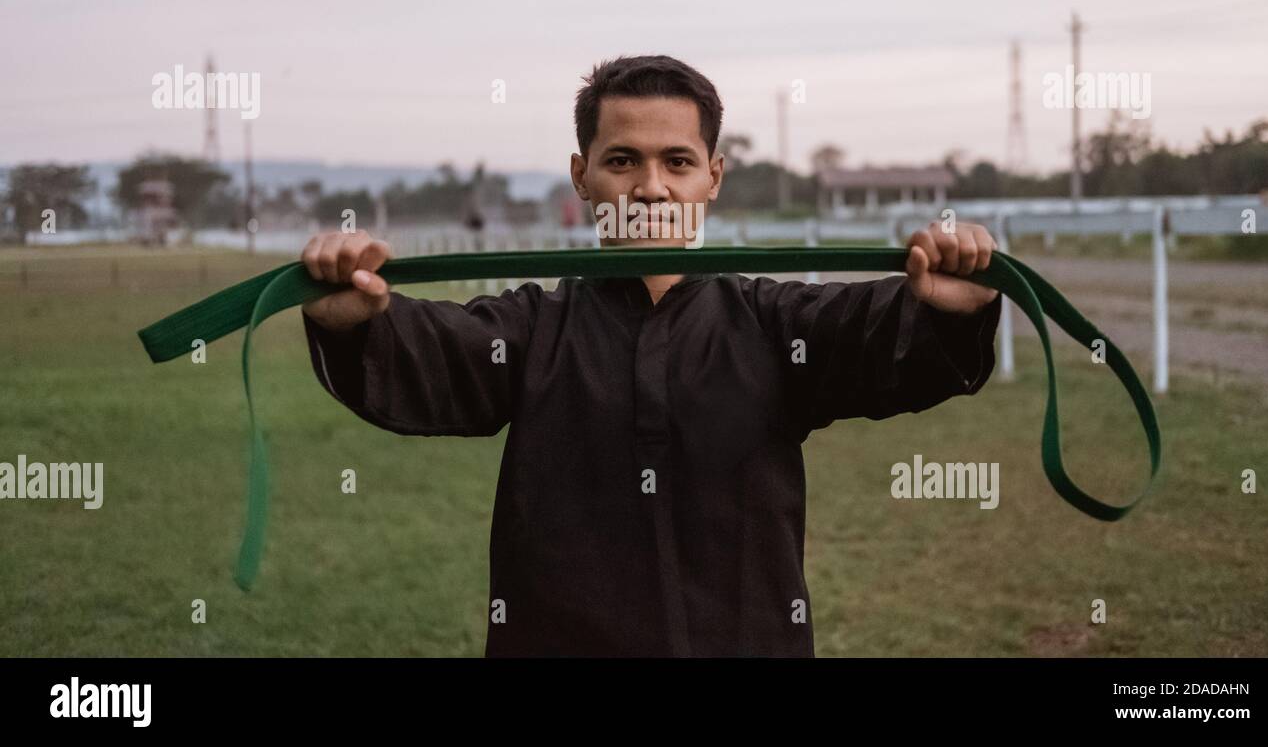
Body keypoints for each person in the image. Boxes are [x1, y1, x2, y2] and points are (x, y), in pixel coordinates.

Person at [299, 54, 1001, 657]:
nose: (652, 187)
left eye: (678, 162)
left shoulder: (774, 324)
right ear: (582, 176)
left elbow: (879, 331)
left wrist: (943, 303)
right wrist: (352, 321)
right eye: (623, 160)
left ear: (714, 177)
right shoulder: (532, 330)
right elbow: (430, 350)